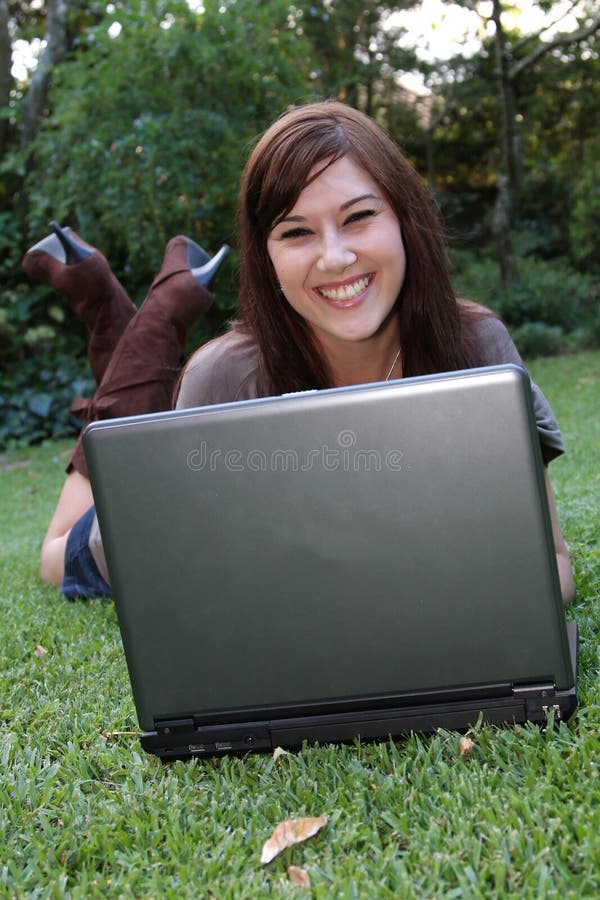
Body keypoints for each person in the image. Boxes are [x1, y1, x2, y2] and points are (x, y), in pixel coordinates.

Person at [22, 100, 575, 604]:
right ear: (266, 256)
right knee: (57, 555)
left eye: (359, 217)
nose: (335, 258)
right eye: (296, 232)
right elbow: (192, 587)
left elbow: (552, 566)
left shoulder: (477, 346)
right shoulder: (222, 376)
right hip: (156, 524)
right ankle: (139, 314)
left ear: (406, 219)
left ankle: (133, 325)